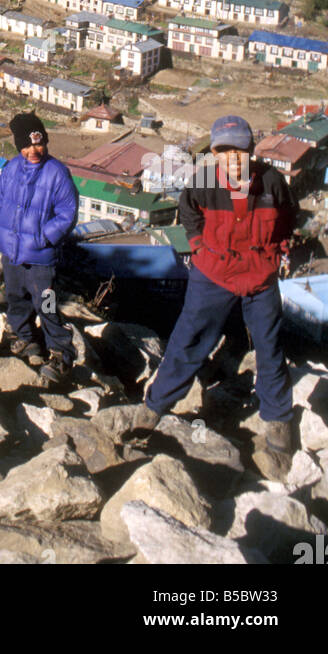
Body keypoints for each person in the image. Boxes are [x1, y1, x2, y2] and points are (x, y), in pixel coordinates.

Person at [128, 114, 298, 479]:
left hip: (259, 275)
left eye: (239, 151)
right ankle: (155, 408)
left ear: (250, 151)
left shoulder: (272, 182)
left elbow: (287, 217)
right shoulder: (203, 180)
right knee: (188, 339)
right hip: (214, 273)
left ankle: (279, 421)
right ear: (214, 154)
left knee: (269, 346)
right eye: (223, 151)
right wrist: (199, 247)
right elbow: (188, 212)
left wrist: (278, 251)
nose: (232, 158)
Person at [0, 112, 79, 386]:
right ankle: (24, 339)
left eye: (38, 144)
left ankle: (61, 354)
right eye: (27, 145)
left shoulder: (58, 174)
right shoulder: (11, 168)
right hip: (12, 253)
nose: (33, 151)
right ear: (19, 146)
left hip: (41, 258)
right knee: (15, 296)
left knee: (47, 304)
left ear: (46, 142)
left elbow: (68, 213)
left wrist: (43, 238)